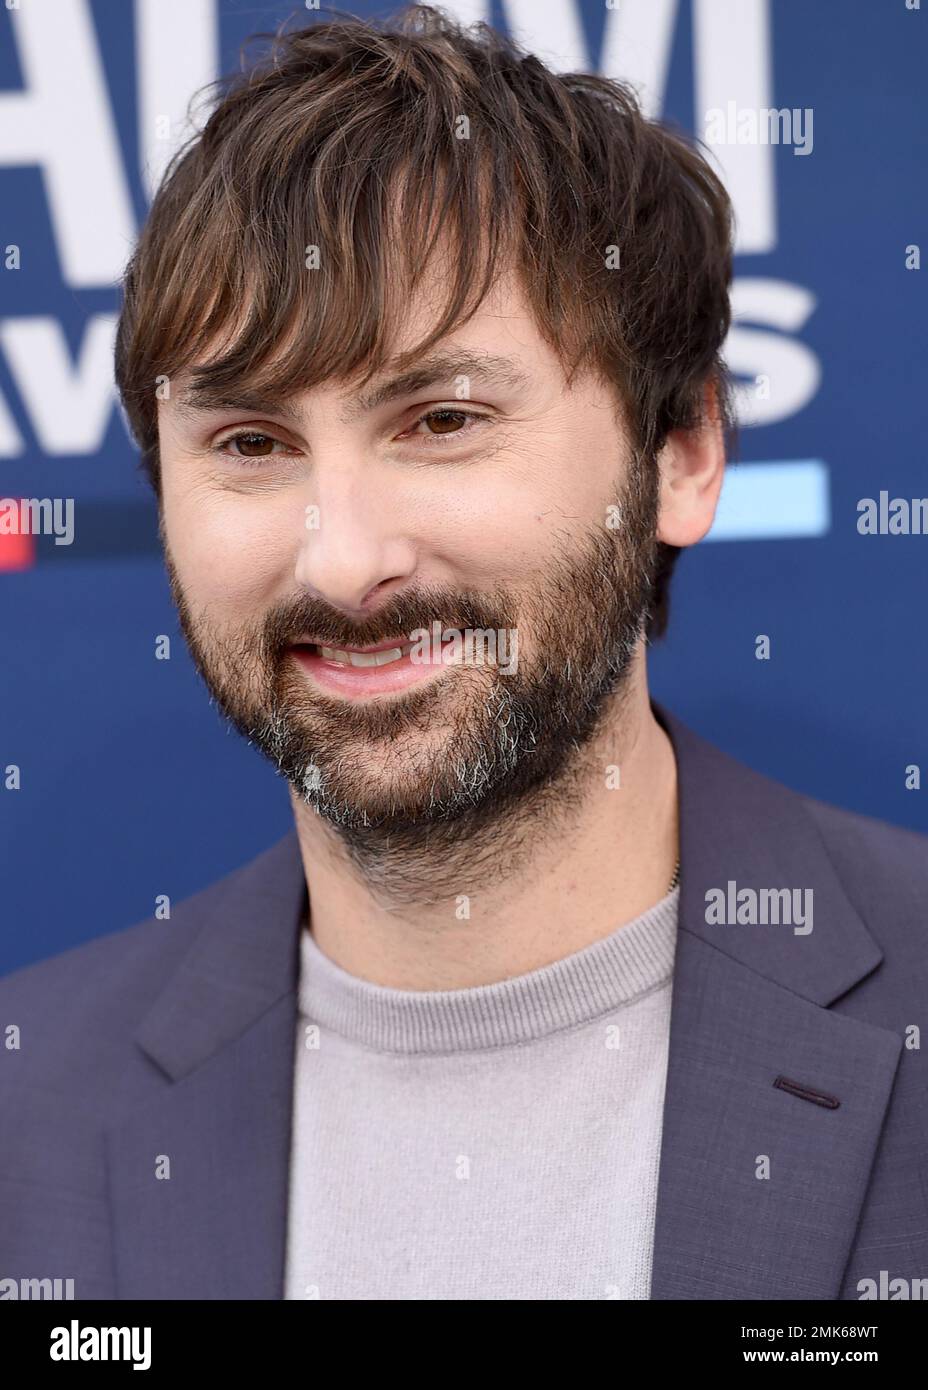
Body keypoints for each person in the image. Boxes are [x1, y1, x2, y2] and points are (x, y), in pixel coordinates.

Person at [2, 4, 926, 1302]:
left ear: (684, 456)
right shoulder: (25, 1107)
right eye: (252, 444)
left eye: (441, 418)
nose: (342, 559)